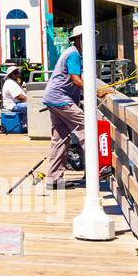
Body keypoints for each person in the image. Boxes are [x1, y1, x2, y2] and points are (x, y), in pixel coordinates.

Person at [40, 26, 112, 189]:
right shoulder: (73, 54)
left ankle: (54, 179)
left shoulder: (72, 53)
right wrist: (96, 92)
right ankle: (99, 169)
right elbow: (76, 80)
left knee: (61, 139)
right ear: (79, 39)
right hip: (61, 99)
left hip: (53, 99)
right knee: (88, 129)